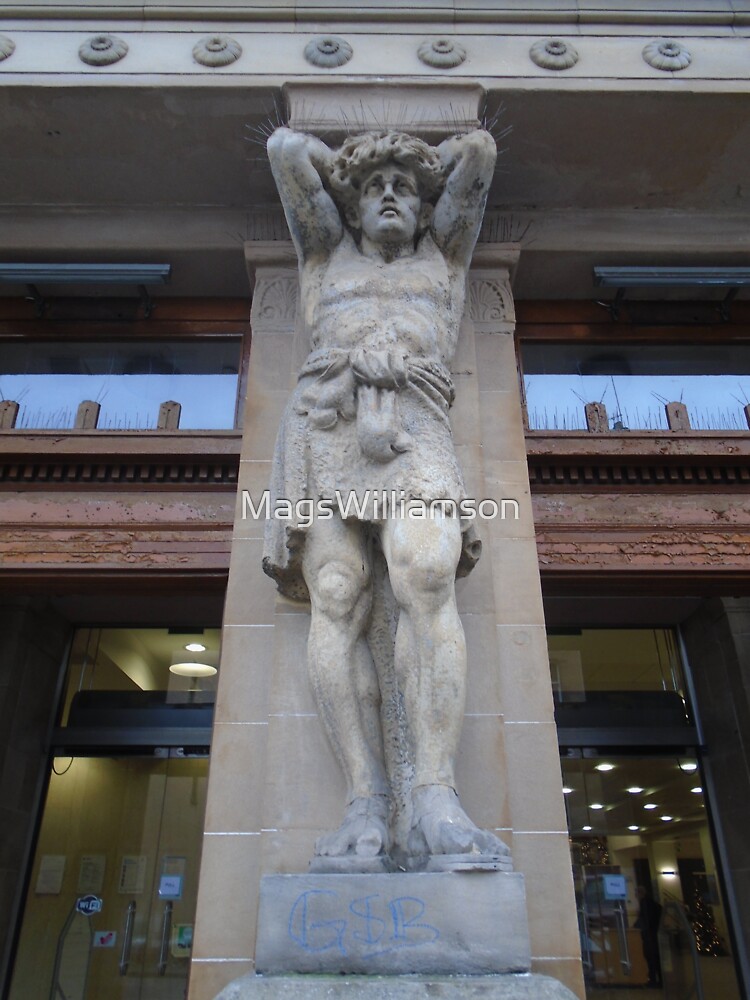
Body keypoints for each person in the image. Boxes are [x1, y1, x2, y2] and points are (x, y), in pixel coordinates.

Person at [263, 125, 508, 871]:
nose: (391, 196)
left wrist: (410, 161)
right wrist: (355, 167)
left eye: (404, 189)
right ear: (351, 206)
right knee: (338, 594)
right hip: (326, 422)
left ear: (427, 204)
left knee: (428, 574)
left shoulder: (445, 257)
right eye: (376, 190)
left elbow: (478, 154)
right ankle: (364, 801)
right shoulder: (323, 254)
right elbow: (286, 150)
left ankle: (434, 795)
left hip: (415, 424)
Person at [634, 885, 663, 987]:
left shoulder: (644, 904)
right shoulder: (652, 903)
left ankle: (653, 980)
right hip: (654, 934)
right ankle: (660, 980)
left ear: (640, 893)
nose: (635, 896)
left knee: (650, 958)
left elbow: (644, 920)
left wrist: (635, 926)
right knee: (656, 959)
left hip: (649, 936)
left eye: (636, 894)